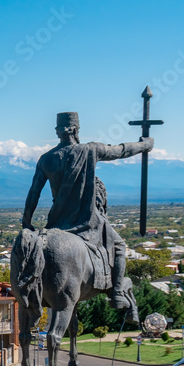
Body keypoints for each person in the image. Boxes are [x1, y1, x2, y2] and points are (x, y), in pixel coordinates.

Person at [21, 112, 152, 311]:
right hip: (88, 220)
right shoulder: (90, 150)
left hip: (57, 222)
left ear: (58, 132)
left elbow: (33, 193)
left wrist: (27, 221)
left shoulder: (47, 159)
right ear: (75, 130)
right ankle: (116, 292)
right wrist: (145, 145)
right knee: (118, 246)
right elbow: (121, 150)